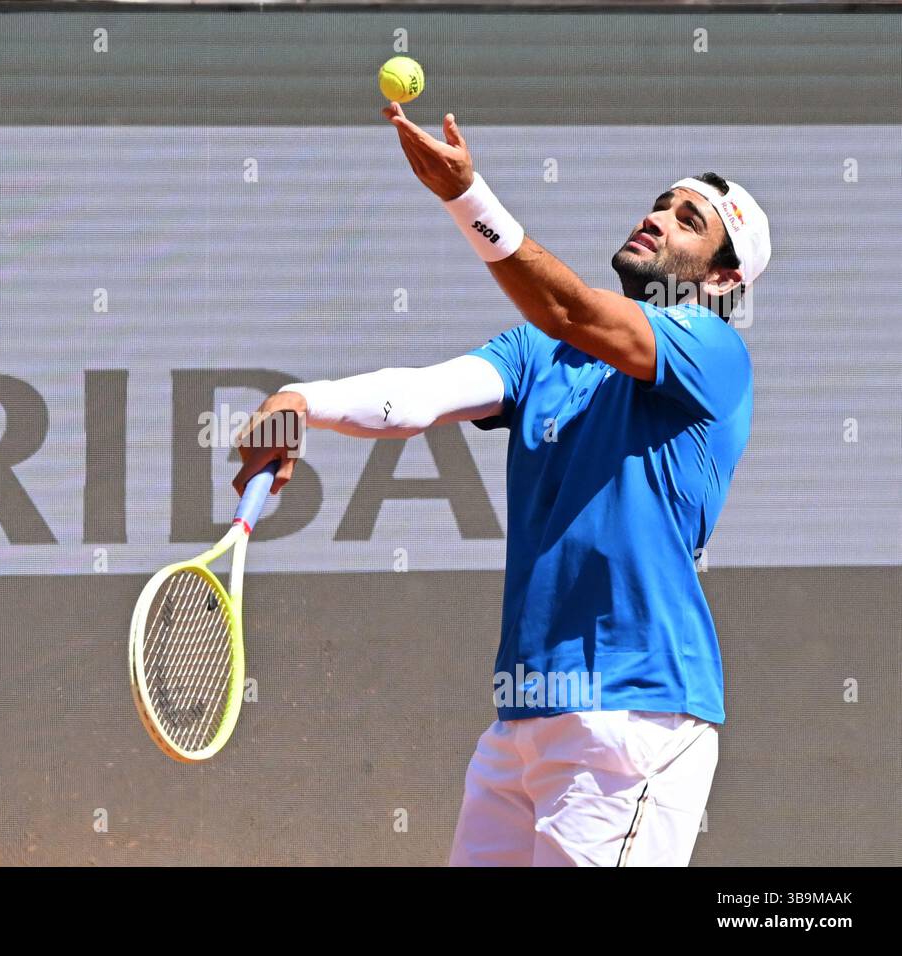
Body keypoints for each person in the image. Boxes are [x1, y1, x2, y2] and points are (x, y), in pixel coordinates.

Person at [232, 102, 771, 866]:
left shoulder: (713, 351)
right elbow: (416, 397)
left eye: (688, 221)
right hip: (520, 723)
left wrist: (465, 196)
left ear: (720, 280)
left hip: (634, 718)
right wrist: (304, 402)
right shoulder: (539, 352)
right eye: (660, 204)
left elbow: (569, 305)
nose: (658, 219)